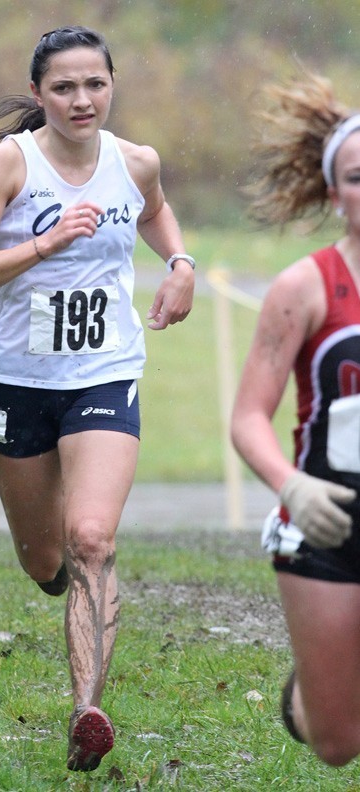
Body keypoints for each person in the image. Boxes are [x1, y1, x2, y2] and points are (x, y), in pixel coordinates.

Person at [0, 26, 194, 772]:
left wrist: (178, 261)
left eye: (94, 84)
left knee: (92, 539)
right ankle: (58, 579)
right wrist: (43, 246)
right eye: (63, 87)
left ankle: (88, 709)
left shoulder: (134, 161)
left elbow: (152, 207)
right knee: (47, 560)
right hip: (16, 383)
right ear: (38, 94)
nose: (81, 100)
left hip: (104, 374)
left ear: (110, 86)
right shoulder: (9, 167)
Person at [231, 70, 360, 767]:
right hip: (324, 517)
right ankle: (309, 696)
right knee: (338, 745)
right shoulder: (304, 287)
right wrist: (292, 489)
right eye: (358, 176)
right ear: (334, 192)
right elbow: (248, 417)